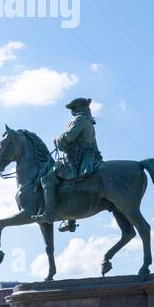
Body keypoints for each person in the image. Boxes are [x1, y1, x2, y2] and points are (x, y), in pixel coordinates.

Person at [36, 97, 103, 229]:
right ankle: (70, 220)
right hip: (86, 156)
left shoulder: (80, 119)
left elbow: (67, 138)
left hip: (77, 158)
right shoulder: (89, 121)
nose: (72, 112)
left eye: (73, 109)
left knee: (48, 178)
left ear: (77, 109)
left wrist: (56, 140)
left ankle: (49, 214)